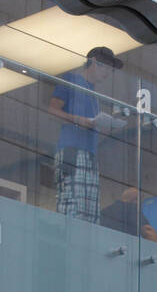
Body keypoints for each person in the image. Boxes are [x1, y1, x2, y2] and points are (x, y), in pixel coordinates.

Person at [49, 46, 124, 222]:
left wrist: (107, 124)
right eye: (106, 67)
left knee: (90, 210)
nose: (108, 73)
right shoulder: (71, 80)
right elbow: (52, 110)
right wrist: (80, 120)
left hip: (89, 155)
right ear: (95, 63)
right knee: (73, 205)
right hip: (72, 152)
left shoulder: (93, 93)